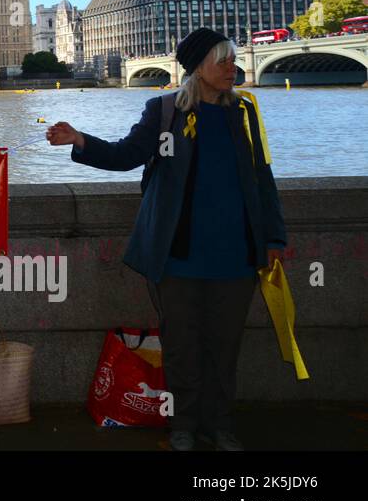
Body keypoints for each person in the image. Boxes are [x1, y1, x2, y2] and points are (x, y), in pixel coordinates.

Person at [46, 28, 285, 452]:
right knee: (181, 347)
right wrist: (80, 140)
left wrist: (271, 239)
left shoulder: (245, 113)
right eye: (223, 61)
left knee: (224, 347)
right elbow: (125, 155)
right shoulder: (164, 112)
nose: (234, 68)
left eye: (233, 59)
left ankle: (219, 425)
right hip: (178, 254)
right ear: (198, 68)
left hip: (236, 254)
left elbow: (262, 179)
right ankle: (183, 425)